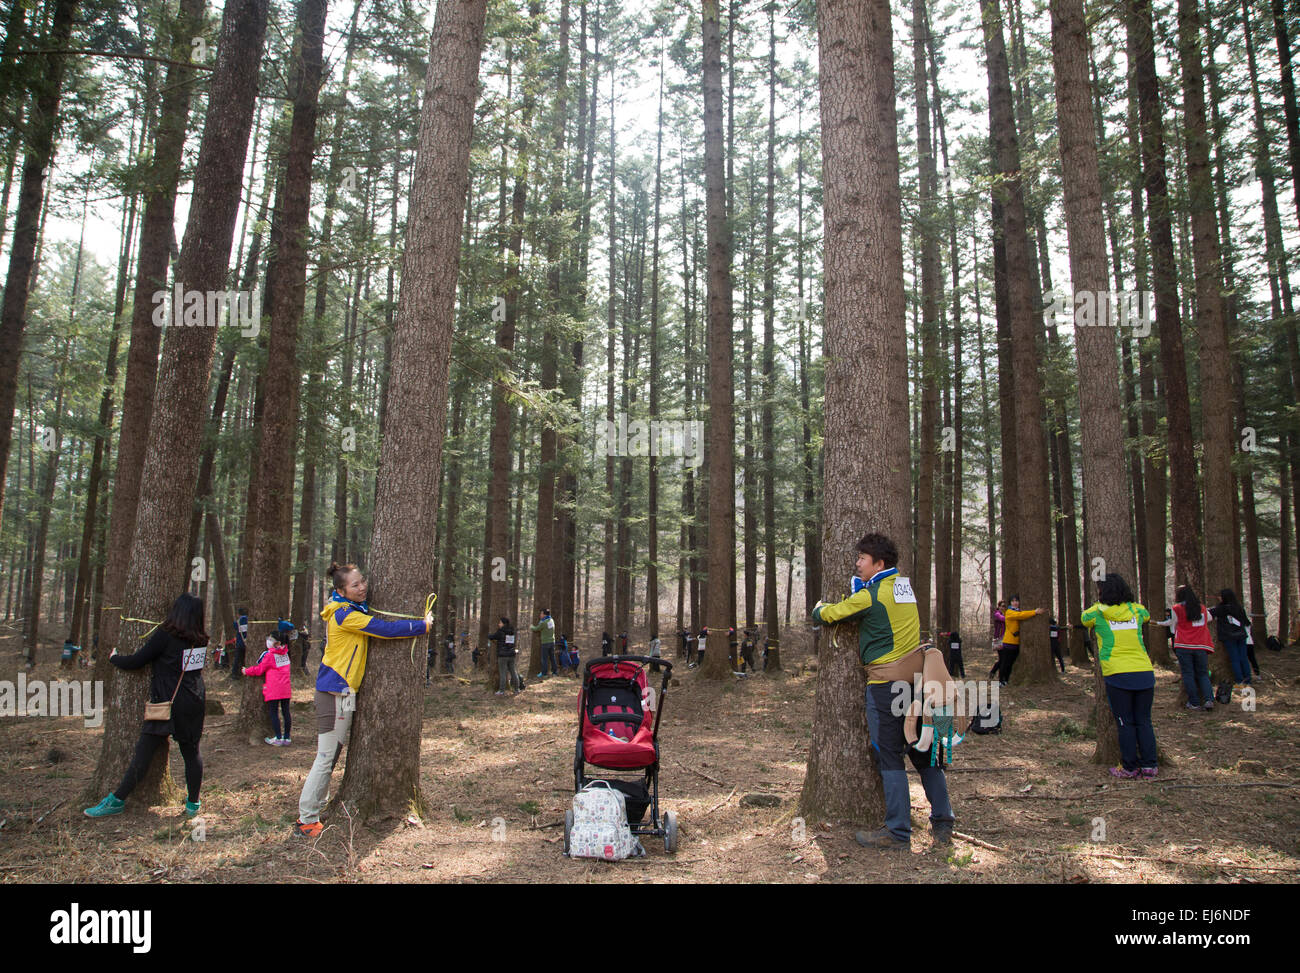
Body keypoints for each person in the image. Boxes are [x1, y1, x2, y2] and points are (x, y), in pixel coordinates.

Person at [811, 532, 953, 851]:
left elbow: (831, 614)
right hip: (916, 685)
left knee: (888, 755)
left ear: (880, 563)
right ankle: (943, 821)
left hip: (886, 686)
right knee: (923, 752)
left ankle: (898, 833)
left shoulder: (870, 595)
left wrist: (819, 609)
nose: (857, 563)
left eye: (862, 558)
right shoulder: (902, 587)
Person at [294, 562, 432, 837]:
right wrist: (422, 626)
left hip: (344, 692)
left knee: (331, 755)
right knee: (325, 757)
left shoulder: (350, 609)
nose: (362, 587)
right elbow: (384, 629)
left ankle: (315, 810)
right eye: (355, 585)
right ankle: (306, 819)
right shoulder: (345, 615)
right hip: (334, 691)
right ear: (341, 591)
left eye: (362, 581)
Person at [85, 593, 211, 819]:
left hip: (167, 702)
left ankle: (117, 800)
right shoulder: (201, 639)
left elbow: (137, 661)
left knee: (143, 752)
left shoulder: (165, 636)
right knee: (191, 752)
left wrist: (114, 658)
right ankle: (193, 805)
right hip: (194, 700)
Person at [1081, 573, 1157, 779]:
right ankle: (1150, 765)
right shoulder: (1137, 609)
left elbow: (1084, 618)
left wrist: (1100, 603)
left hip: (1117, 673)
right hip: (1144, 671)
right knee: (1144, 720)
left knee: (1125, 722)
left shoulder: (1097, 612)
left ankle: (1130, 767)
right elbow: (1147, 616)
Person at [1159, 585, 1215, 711]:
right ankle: (1208, 700)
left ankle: (1194, 703)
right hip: (1201, 645)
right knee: (1203, 674)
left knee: (1188, 674)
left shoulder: (1177, 608)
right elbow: (1209, 618)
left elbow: (1172, 622)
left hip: (1183, 645)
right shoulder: (1201, 608)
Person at [243, 621, 295, 745]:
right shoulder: (286, 653)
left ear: (277, 643)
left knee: (273, 713)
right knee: (286, 712)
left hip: (274, 689)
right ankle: (286, 737)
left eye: (271, 639)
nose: (268, 640)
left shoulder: (270, 655)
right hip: (285, 688)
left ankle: (278, 737)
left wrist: (246, 671)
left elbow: (259, 669)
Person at [993, 595, 1044, 686]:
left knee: (1011, 663)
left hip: (1016, 643)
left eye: (1017, 601)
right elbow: (1021, 615)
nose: (1015, 602)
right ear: (1010, 603)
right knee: (1005, 662)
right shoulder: (1009, 612)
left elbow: (1022, 613)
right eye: (1013, 601)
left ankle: (1006, 680)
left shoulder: (1018, 610)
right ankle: (1001, 681)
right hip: (1008, 642)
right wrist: (1035, 612)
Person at [1210, 589, 1252, 689]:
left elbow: (1210, 612)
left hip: (1229, 637)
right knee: (1243, 658)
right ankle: (1248, 680)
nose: (1219, 598)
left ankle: (1239, 681)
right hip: (1241, 635)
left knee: (1235, 659)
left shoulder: (1222, 608)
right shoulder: (1239, 607)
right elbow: (1246, 622)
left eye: (1220, 596)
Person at [489, 616, 523, 695]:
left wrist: (489, 636)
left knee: (503, 673)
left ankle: (501, 690)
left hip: (503, 655)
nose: (498, 624)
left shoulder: (501, 631)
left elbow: (493, 636)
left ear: (503, 623)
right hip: (511, 654)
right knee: (513, 672)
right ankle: (517, 689)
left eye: (500, 623)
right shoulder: (512, 631)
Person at [531, 608, 557, 678]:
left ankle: (544, 673)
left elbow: (536, 629)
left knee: (544, 659)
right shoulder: (551, 620)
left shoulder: (544, 622)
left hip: (545, 642)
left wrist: (531, 626)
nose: (540, 615)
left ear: (544, 615)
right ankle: (555, 672)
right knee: (552, 657)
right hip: (552, 641)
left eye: (541, 614)